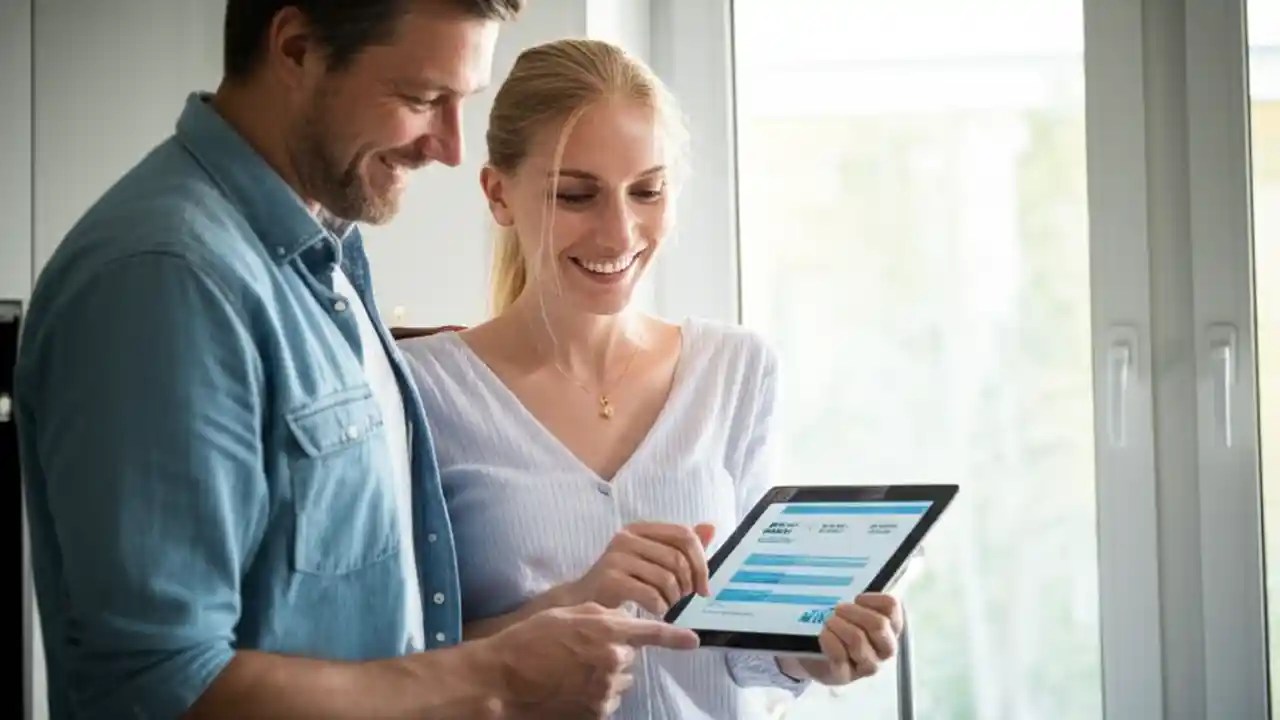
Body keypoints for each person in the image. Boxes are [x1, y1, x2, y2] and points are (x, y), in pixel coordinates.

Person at [14, 3, 699, 719]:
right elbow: (155, 685)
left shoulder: (324, 258)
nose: (450, 147)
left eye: (460, 102)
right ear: (298, 48)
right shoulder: (166, 280)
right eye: (422, 99)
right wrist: (493, 679)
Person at [398, 38, 905, 720]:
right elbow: (397, 663)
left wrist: (807, 652)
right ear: (499, 194)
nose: (618, 233)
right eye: (576, 195)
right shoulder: (419, 392)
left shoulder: (736, 370)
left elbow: (743, 639)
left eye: (648, 191)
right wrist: (572, 600)